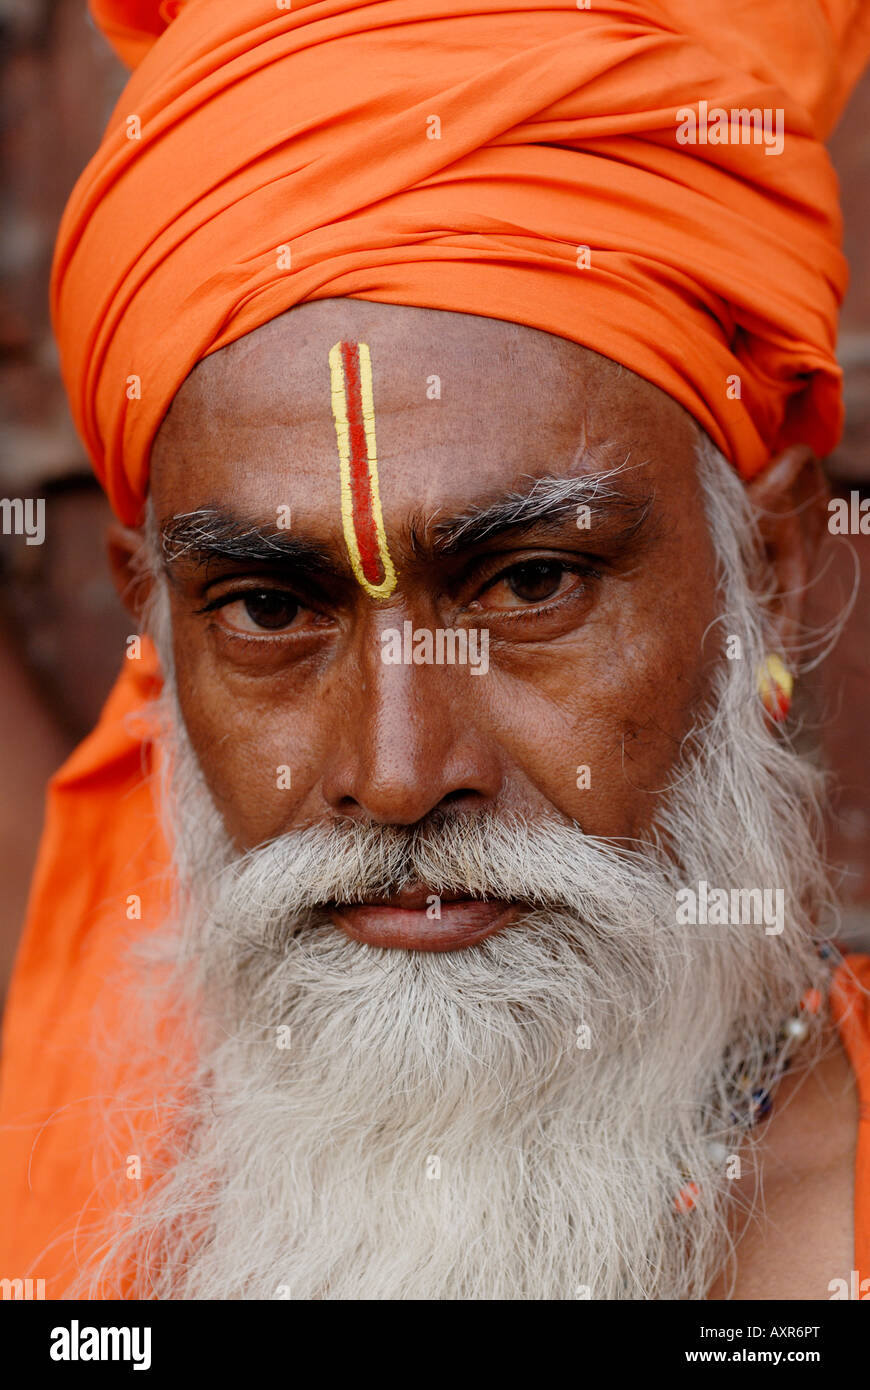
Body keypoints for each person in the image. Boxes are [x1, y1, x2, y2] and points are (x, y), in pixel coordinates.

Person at [1, 0, 869, 1300]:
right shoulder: (82, 1189)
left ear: (772, 561)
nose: (399, 772)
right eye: (271, 608)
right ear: (154, 615)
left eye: (529, 582)